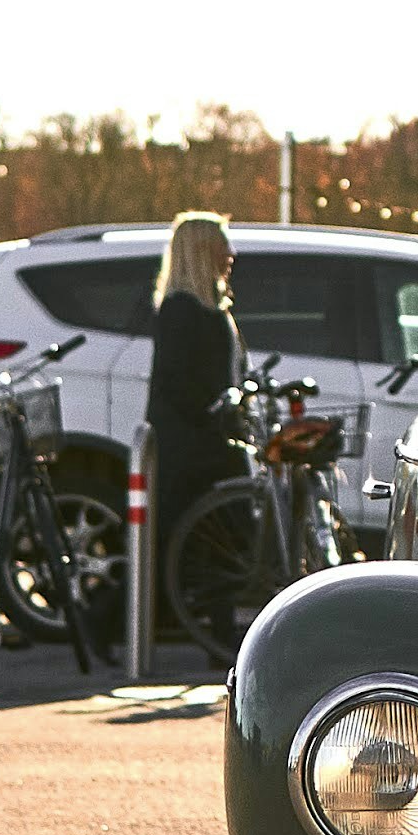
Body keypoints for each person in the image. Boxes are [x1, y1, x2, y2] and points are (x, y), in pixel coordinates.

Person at [143, 211, 244, 592]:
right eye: (223, 244)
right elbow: (175, 379)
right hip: (188, 447)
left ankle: (218, 637)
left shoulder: (211, 307)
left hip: (206, 441)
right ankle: (103, 622)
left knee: (211, 543)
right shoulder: (182, 309)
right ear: (203, 251)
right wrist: (211, 412)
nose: (231, 253)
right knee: (171, 539)